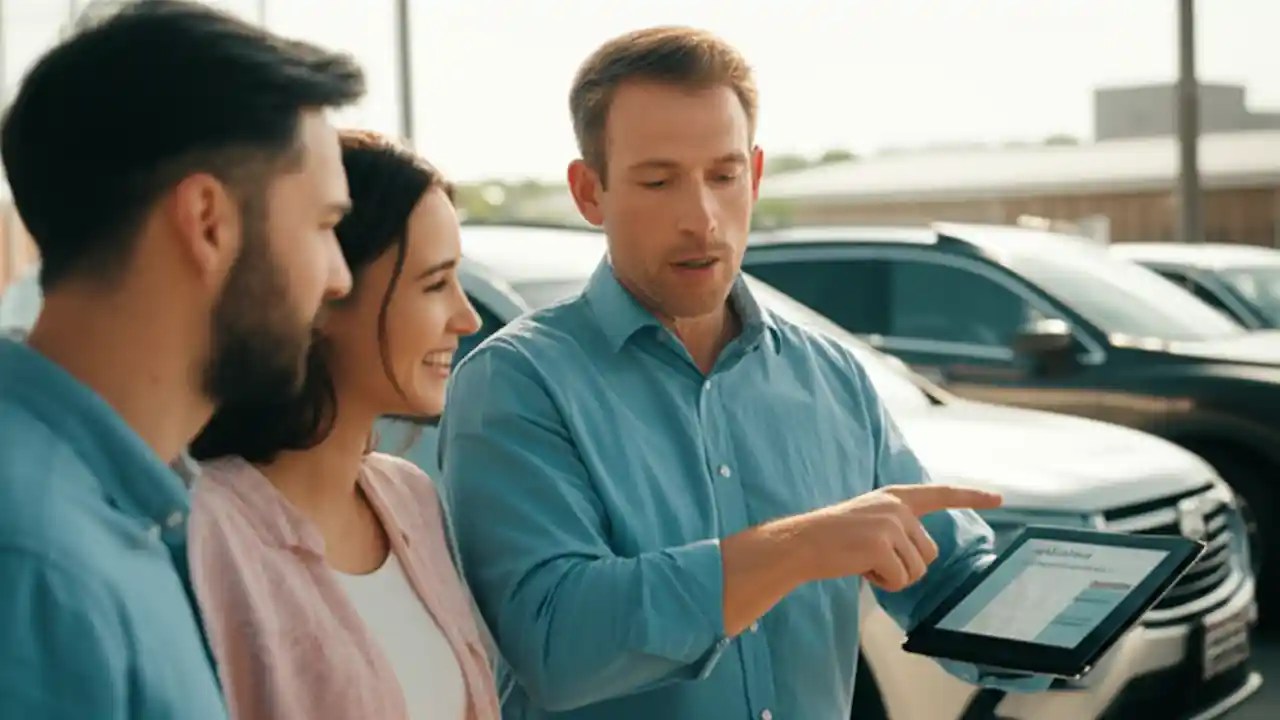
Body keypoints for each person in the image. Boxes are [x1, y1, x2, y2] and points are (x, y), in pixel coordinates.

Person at [438, 26, 1051, 719]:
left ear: (755, 177)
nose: (701, 219)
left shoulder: (831, 378)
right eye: (659, 180)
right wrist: (798, 547)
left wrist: (1079, 613)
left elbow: (948, 586)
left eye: (723, 176)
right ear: (589, 192)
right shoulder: (515, 383)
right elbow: (556, 644)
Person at [0, 1, 364, 717]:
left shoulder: (114, 509)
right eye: (324, 225)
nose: (339, 277)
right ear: (208, 222)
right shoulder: (38, 566)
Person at [187, 130, 500, 720]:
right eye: (435, 284)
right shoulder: (212, 530)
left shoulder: (409, 496)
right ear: (324, 289)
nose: (467, 317)